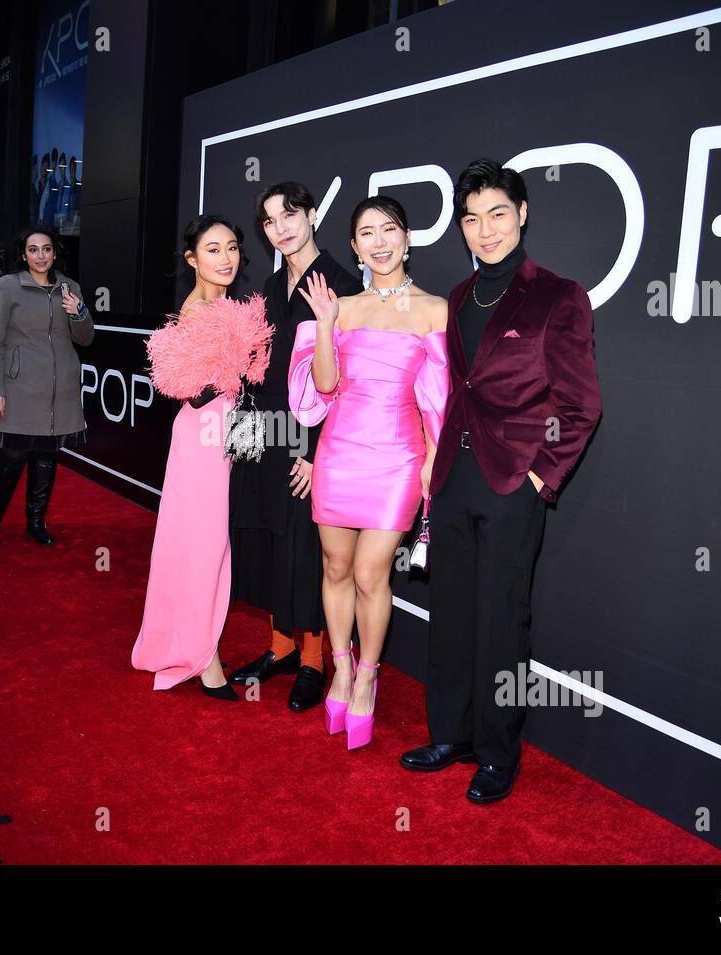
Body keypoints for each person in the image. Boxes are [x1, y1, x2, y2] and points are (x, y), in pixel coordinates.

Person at [399, 159, 602, 803]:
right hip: (456, 476)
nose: (485, 230)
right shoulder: (459, 297)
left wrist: (543, 477)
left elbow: (582, 405)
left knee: (501, 622)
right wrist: (436, 463)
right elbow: (459, 391)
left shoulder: (558, 296)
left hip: (515, 481)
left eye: (497, 215)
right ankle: (451, 734)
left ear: (522, 215)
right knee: (452, 614)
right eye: (471, 218)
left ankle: (497, 752)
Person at [291, 196, 448, 749]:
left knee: (368, 572)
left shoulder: (435, 310)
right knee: (334, 566)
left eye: (389, 230)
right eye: (367, 233)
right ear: (354, 246)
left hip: (399, 457)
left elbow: (440, 400)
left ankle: (367, 677)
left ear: (407, 238)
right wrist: (327, 323)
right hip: (340, 452)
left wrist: (431, 461)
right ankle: (339, 664)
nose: (379, 242)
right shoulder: (343, 307)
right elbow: (327, 387)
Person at [228, 182, 363, 711]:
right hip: (260, 432)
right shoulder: (266, 283)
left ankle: (313, 661)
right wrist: (241, 441)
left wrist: (318, 451)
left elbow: (347, 381)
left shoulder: (341, 284)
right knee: (266, 536)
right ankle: (279, 648)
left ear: (311, 215)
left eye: (289, 215)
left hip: (307, 438)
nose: (280, 228)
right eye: (268, 221)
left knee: (305, 549)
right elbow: (257, 368)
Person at [132, 215, 251, 701]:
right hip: (203, 438)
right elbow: (194, 391)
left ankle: (189, 643)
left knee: (200, 544)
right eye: (213, 249)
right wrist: (237, 368)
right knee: (204, 547)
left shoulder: (223, 306)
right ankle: (207, 662)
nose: (225, 258)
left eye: (232, 248)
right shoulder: (203, 311)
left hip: (216, 435)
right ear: (192, 259)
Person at [0, 223, 93, 550]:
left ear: (55, 252)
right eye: (33, 249)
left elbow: (85, 338)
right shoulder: (7, 287)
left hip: (59, 393)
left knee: (46, 458)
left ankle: (36, 523)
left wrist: (78, 311)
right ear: (24, 254)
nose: (40, 256)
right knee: (10, 459)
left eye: (46, 249)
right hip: (18, 391)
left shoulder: (71, 288)